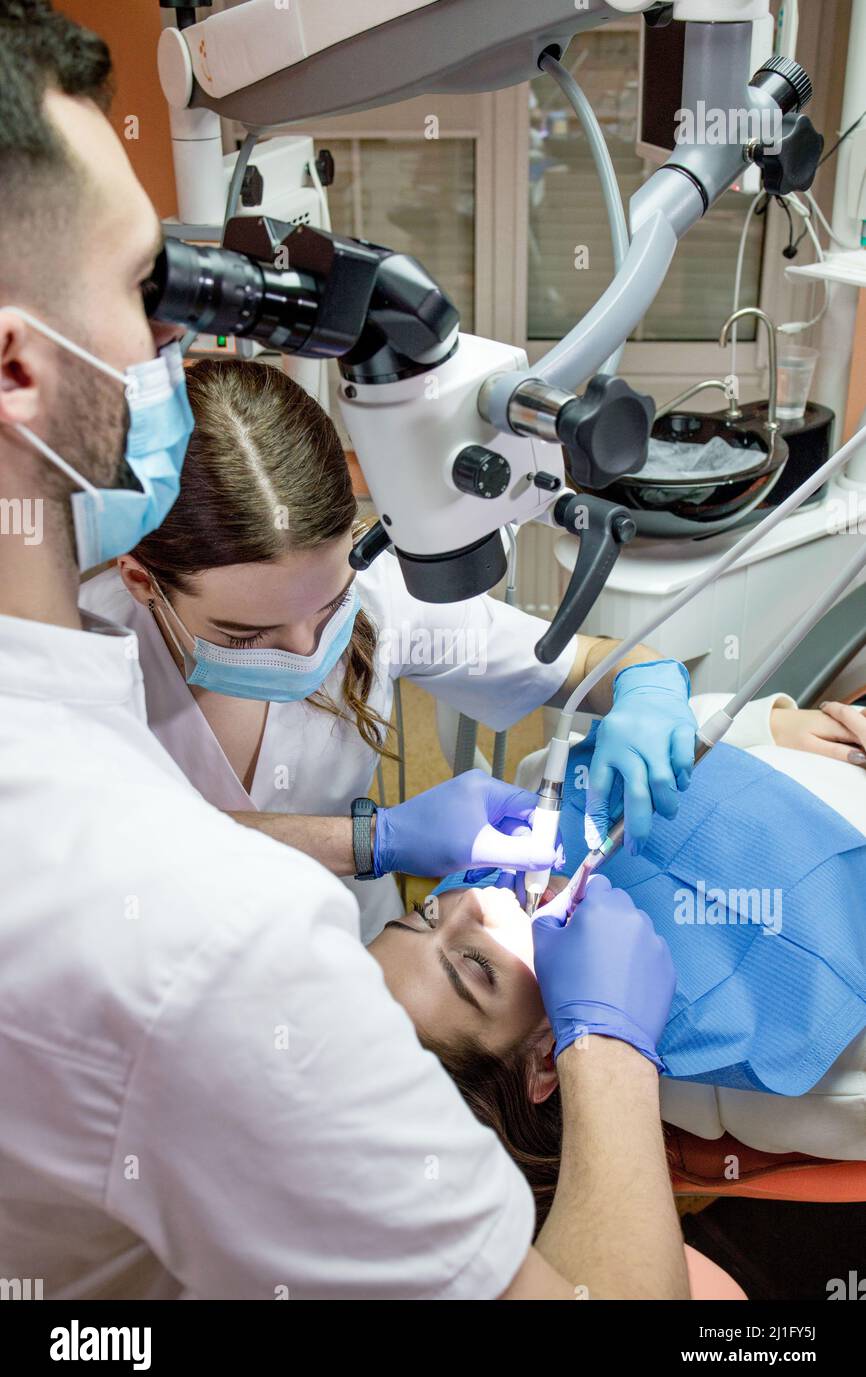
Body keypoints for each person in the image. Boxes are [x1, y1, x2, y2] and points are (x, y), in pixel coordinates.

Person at [0, 1, 689, 1299]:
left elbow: (586, 656)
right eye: (138, 285)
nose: (170, 338)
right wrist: (601, 1039)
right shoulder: (218, 940)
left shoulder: (338, 615)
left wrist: (642, 680)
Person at [81, 355, 697, 939]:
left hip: (354, 940)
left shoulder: (380, 594)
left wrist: (649, 687)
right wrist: (370, 841)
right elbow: (94, 852)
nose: (304, 650)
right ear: (142, 581)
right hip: (159, 963)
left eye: (329, 606)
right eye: (245, 636)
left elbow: (587, 662)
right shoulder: (73, 657)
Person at [368, 690, 866, 1226]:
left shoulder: (518, 841)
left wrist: (764, 725)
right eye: (476, 966)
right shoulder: (775, 1073)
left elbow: (648, 742)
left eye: (424, 915)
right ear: (542, 1059)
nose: (471, 898)